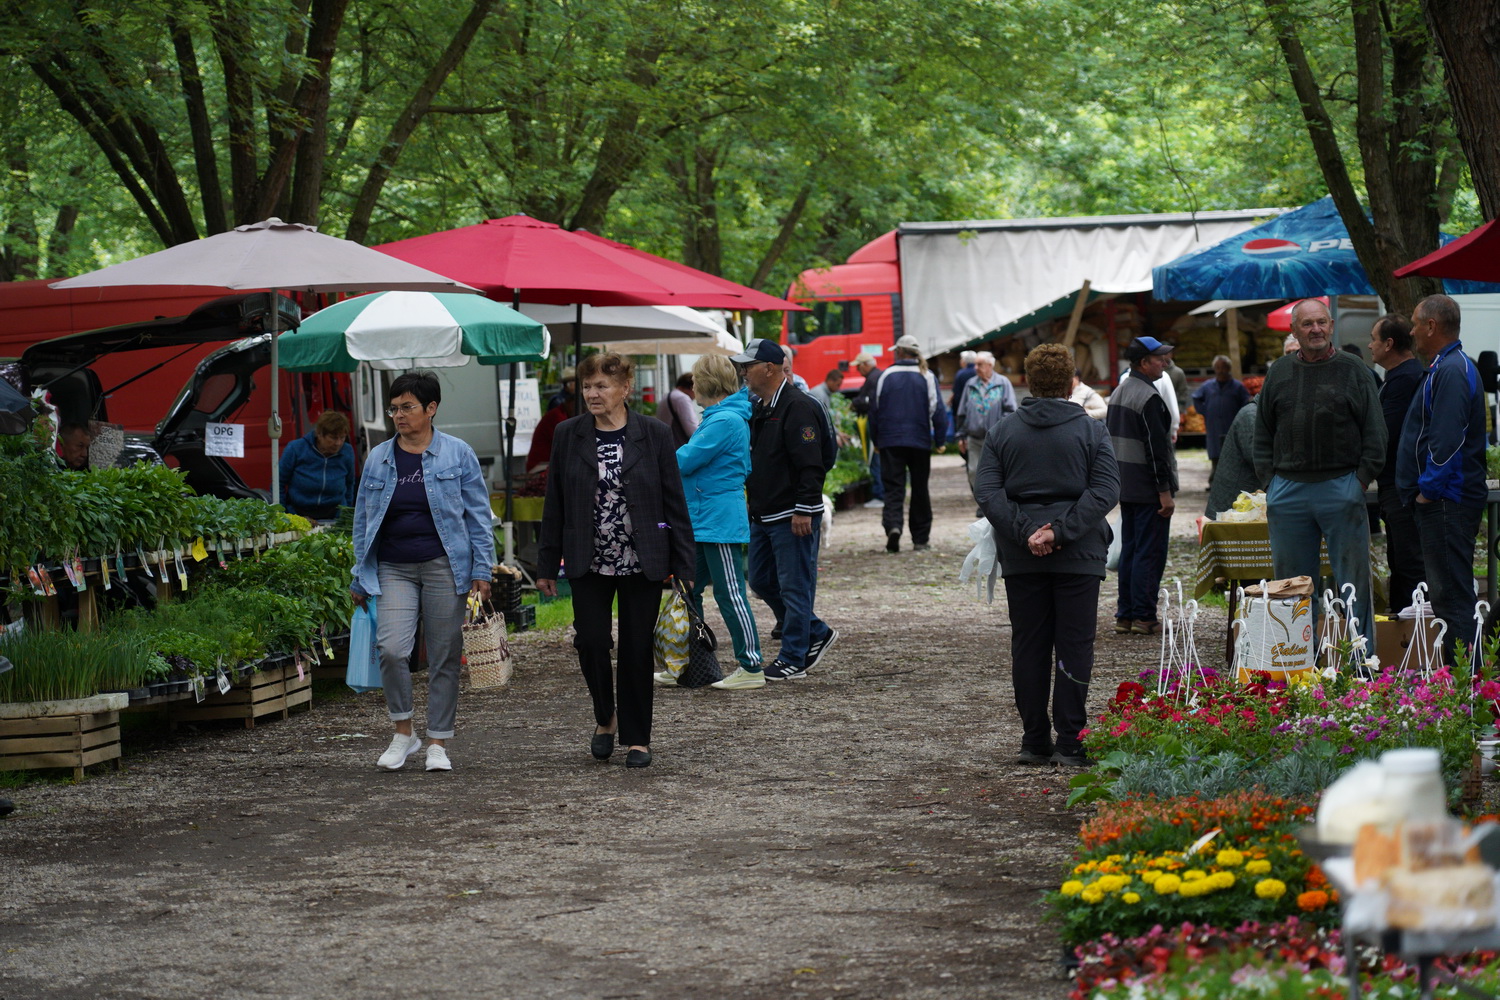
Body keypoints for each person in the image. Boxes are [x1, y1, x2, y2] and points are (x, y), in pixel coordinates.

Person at [538, 353, 695, 768]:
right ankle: (605, 716)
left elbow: (673, 501)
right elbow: (554, 501)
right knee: (590, 641)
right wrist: (545, 563)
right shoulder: (569, 434)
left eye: (601, 386)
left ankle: (638, 738)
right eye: (587, 386)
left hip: (642, 556)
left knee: (636, 648)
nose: (592, 394)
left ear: (625, 389)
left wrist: (685, 564)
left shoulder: (655, 434)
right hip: (587, 557)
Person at [975, 343, 1119, 767]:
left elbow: (987, 491)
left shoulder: (1003, 431)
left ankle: (1034, 739)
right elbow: (1106, 490)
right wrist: (1060, 531)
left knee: (1030, 644)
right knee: (1074, 645)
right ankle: (1071, 740)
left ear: (1027, 381)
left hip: (1023, 555)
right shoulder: (1092, 431)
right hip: (1078, 553)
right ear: (1071, 381)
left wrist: (1026, 533)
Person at [351, 372, 494, 773]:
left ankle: (437, 742)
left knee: (445, 653)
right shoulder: (378, 458)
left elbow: (479, 516)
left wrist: (482, 569)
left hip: (444, 565)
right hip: (393, 566)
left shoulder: (457, 453)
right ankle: (403, 732)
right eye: (393, 408)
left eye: (407, 407)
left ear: (431, 409)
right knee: (392, 649)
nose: (398, 415)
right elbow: (363, 519)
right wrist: (359, 573)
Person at [1254, 298, 1385, 650]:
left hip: (1341, 487)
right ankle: (1299, 666)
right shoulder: (1279, 372)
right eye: (1307, 324)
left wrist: (1359, 481)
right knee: (1293, 587)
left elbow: (1376, 432)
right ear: (1294, 330)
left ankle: (1363, 666)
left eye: (1321, 323)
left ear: (1330, 326)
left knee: (1353, 584)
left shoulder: (1354, 370)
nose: (1315, 330)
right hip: (1288, 491)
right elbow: (1262, 431)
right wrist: (1270, 482)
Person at [734, 338, 838, 681]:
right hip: (765, 512)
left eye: (749, 366)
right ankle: (815, 630)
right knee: (761, 580)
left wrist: (805, 509)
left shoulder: (797, 406)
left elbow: (813, 463)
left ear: (769, 368)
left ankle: (794, 655)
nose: (744, 372)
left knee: (795, 586)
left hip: (792, 513)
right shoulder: (761, 405)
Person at [1397, 294, 1486, 667]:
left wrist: (1428, 493)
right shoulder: (1446, 366)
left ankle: (1471, 690)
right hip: (1446, 500)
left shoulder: (1451, 370)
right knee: (1450, 595)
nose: (1412, 330)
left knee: (1451, 598)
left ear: (1432, 326)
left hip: (1447, 501)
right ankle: (1466, 683)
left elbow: (1445, 441)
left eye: (1416, 323)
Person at [671, 355, 764, 691]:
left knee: (730, 593)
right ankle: (684, 663)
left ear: (707, 382)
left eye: (696, 379)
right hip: (705, 517)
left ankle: (752, 666)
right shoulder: (721, 417)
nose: (692, 385)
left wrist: (653, 453)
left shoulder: (724, 420)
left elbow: (686, 459)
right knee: (687, 591)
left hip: (718, 519)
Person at [1106, 337, 1178, 635]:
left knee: (1132, 551)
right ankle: (1144, 616)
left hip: (1126, 485)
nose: (1165, 362)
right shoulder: (1147, 397)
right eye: (1159, 358)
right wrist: (1164, 491)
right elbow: (1156, 449)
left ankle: (1126, 614)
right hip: (1149, 489)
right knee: (1149, 552)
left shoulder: (1120, 391)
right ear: (1143, 363)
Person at [868, 335, 948, 553]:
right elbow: (938, 412)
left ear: (900, 352)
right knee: (920, 489)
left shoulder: (886, 376)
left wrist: (876, 440)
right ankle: (920, 538)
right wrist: (940, 440)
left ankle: (893, 526)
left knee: (893, 488)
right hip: (919, 441)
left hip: (890, 441)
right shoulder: (927, 376)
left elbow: (874, 412)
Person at [1368, 313, 1425, 612]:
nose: (1369, 345)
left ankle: (1416, 632)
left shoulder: (1405, 380)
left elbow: (1385, 434)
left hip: (1404, 486)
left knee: (1408, 561)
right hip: (1395, 484)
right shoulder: (1399, 377)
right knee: (1399, 558)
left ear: (1389, 344)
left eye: (1374, 339)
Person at [955, 350, 1017, 494]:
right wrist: (961, 435)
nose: (976, 367)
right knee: (973, 471)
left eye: (979, 364)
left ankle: (995, 501)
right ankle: (982, 502)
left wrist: (1003, 430)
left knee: (997, 472)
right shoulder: (970, 384)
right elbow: (962, 412)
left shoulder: (1003, 383)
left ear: (990, 365)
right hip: (974, 438)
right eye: (975, 364)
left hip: (996, 439)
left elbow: (1011, 411)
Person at [278, 410, 356, 520]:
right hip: (299, 513)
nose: (338, 443)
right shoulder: (296, 449)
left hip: (334, 516)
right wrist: (283, 515)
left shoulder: (347, 452)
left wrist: (345, 515)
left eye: (342, 438)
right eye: (333, 438)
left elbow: (349, 484)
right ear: (319, 434)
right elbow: (278, 482)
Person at [1190, 356, 1250, 482]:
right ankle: (1214, 482)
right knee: (1215, 455)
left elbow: (1246, 403)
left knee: (1233, 454)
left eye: (1223, 367)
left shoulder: (1237, 387)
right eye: (1217, 368)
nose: (1220, 370)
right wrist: (1204, 411)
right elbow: (1196, 397)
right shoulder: (1207, 386)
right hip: (1214, 426)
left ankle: (1233, 481)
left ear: (1229, 368)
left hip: (1231, 424)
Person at [1204, 398, 1264, 518]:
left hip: (1241, 504)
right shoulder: (1251, 414)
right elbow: (1257, 458)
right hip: (1232, 506)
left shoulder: (1258, 413)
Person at [850, 352, 885, 509]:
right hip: (883, 424)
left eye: (858, 366)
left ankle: (879, 495)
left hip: (875, 424)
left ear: (865, 365)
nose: (858, 370)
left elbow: (868, 402)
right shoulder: (879, 375)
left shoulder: (873, 378)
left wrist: (855, 403)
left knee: (874, 458)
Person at [525, 392, 576, 475]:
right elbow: (568, 446)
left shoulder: (562, 415)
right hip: (540, 467)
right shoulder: (557, 417)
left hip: (547, 465)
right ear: (570, 403)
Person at [661, 372, 698, 448]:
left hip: (667, 445)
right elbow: (693, 430)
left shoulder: (667, 396)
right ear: (692, 387)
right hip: (678, 448)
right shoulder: (682, 399)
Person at [949, 349, 978, 438]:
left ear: (965, 361)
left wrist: (955, 410)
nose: (960, 361)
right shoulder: (978, 372)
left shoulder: (961, 373)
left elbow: (957, 393)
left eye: (961, 359)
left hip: (963, 409)